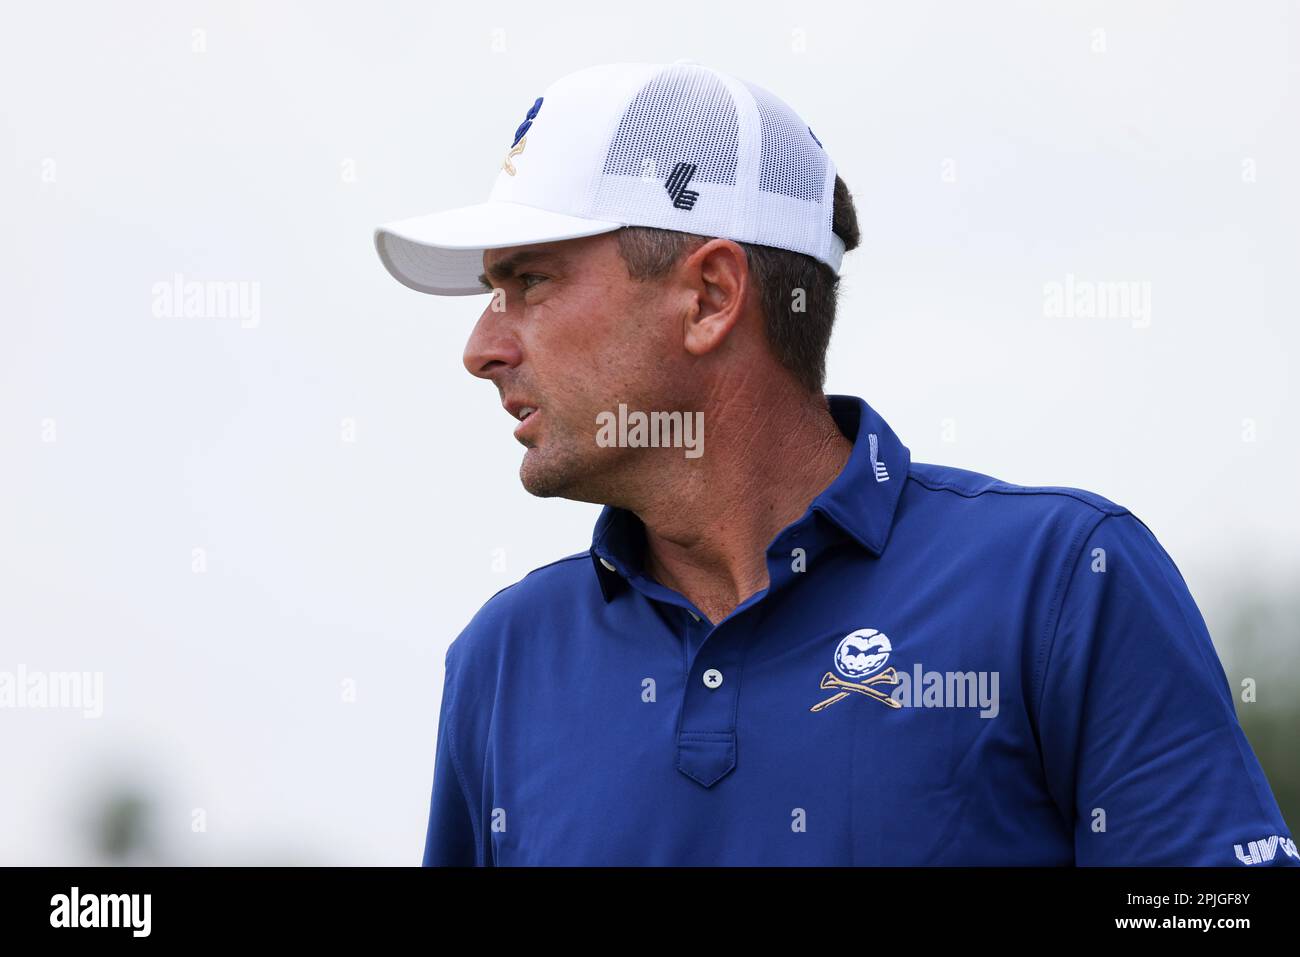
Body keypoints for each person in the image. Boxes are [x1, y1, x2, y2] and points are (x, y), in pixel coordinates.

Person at [374, 60, 1297, 866]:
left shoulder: (1064, 581)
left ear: (709, 297)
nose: (482, 347)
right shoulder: (502, 658)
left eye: (528, 282)